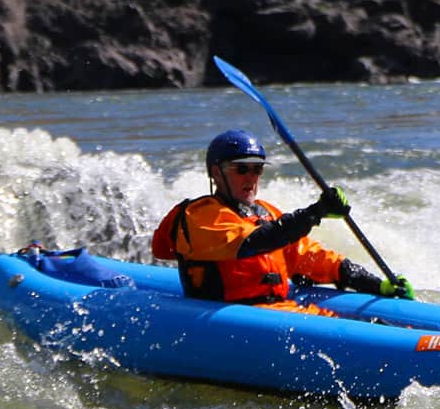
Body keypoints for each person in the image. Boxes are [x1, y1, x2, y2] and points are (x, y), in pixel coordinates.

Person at [152, 129, 414, 311]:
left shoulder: (264, 212)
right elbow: (256, 241)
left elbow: (310, 257)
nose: (250, 177)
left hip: (275, 309)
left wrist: (375, 285)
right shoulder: (200, 215)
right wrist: (315, 212)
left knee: (381, 321)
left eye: (257, 169)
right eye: (241, 169)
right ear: (215, 173)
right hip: (234, 315)